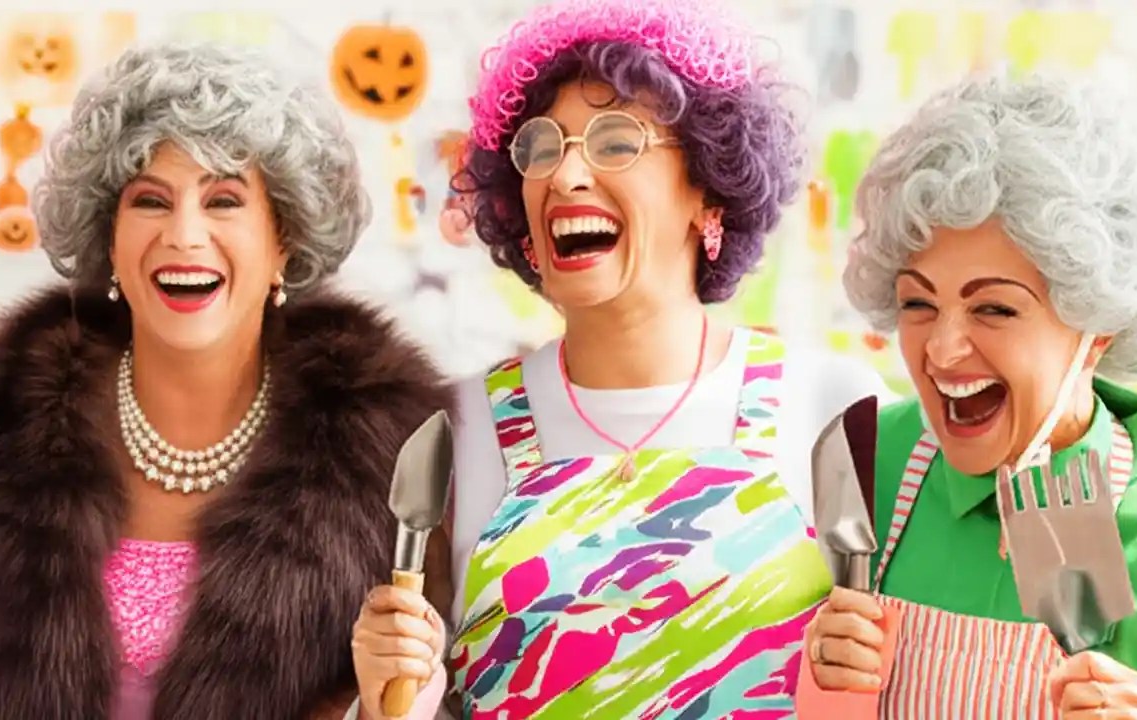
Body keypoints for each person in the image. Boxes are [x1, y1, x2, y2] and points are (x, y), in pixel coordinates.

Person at [350, 0, 894, 717]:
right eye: (540, 149)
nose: (565, 175)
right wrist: (387, 692)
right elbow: (415, 707)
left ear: (709, 194)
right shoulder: (454, 425)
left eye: (614, 142)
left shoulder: (835, 403)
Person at [0, 43, 452, 720]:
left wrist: (384, 701)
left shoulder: (379, 458)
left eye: (223, 201)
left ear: (285, 241)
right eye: (151, 201)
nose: (185, 235)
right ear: (109, 239)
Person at [804, 74, 1137, 718]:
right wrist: (821, 671)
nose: (943, 350)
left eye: (996, 309)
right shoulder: (872, 461)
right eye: (918, 302)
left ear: (1099, 326)